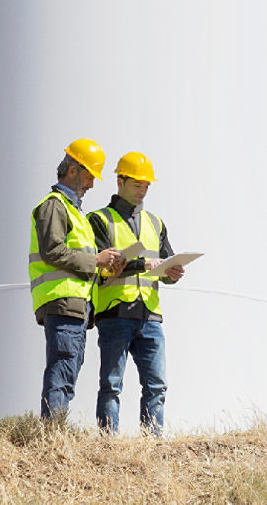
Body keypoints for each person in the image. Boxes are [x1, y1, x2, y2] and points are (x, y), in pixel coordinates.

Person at [89, 151, 185, 434]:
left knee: (156, 385)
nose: (142, 191)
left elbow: (165, 260)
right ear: (119, 182)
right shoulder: (99, 220)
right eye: (137, 185)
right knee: (111, 384)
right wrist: (144, 263)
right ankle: (108, 442)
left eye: (146, 186)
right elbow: (102, 263)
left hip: (150, 315)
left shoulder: (156, 223)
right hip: (115, 312)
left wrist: (172, 272)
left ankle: (151, 443)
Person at [29, 138, 122, 421]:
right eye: (90, 175)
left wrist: (105, 266)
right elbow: (53, 251)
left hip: (76, 306)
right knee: (62, 372)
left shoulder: (75, 212)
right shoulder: (54, 206)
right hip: (62, 302)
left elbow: (78, 258)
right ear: (73, 170)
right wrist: (96, 260)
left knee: (67, 373)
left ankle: (53, 434)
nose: (92, 184)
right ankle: (51, 437)